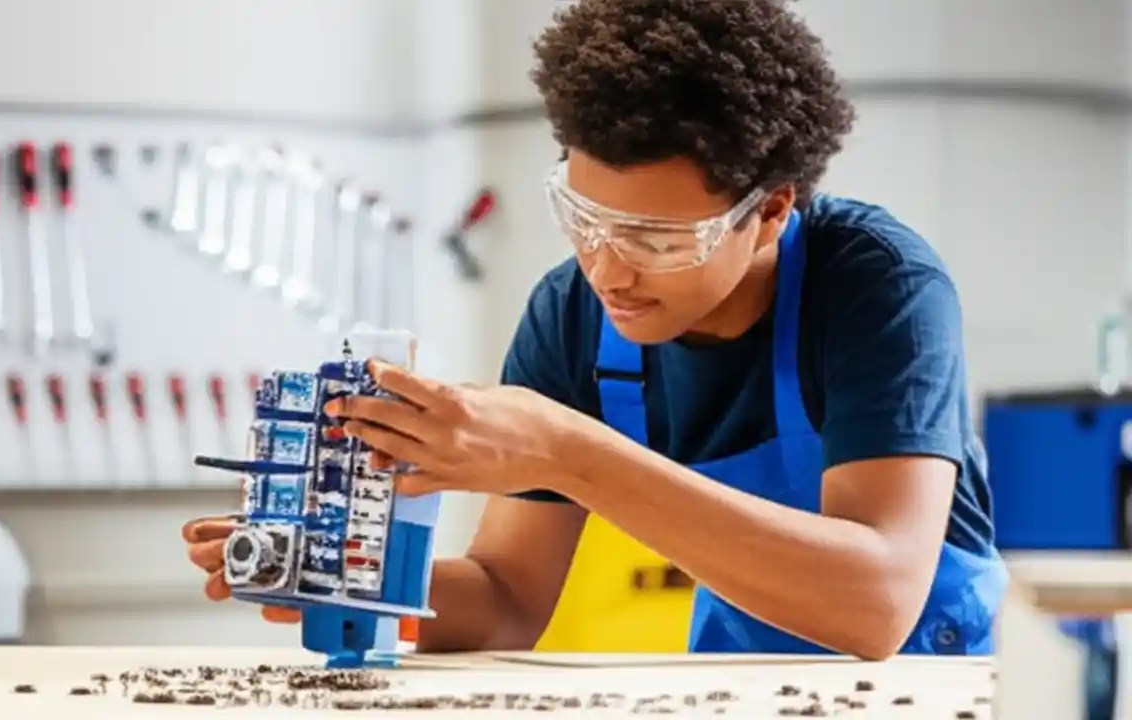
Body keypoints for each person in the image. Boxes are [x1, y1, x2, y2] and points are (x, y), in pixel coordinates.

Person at [183, 0, 1007, 659]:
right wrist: (349, 579)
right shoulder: (574, 314)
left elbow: (875, 606)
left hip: (924, 692)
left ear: (772, 210)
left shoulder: (876, 288)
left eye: (658, 240)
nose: (609, 270)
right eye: (585, 219)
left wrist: (565, 450)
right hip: (746, 685)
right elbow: (507, 599)